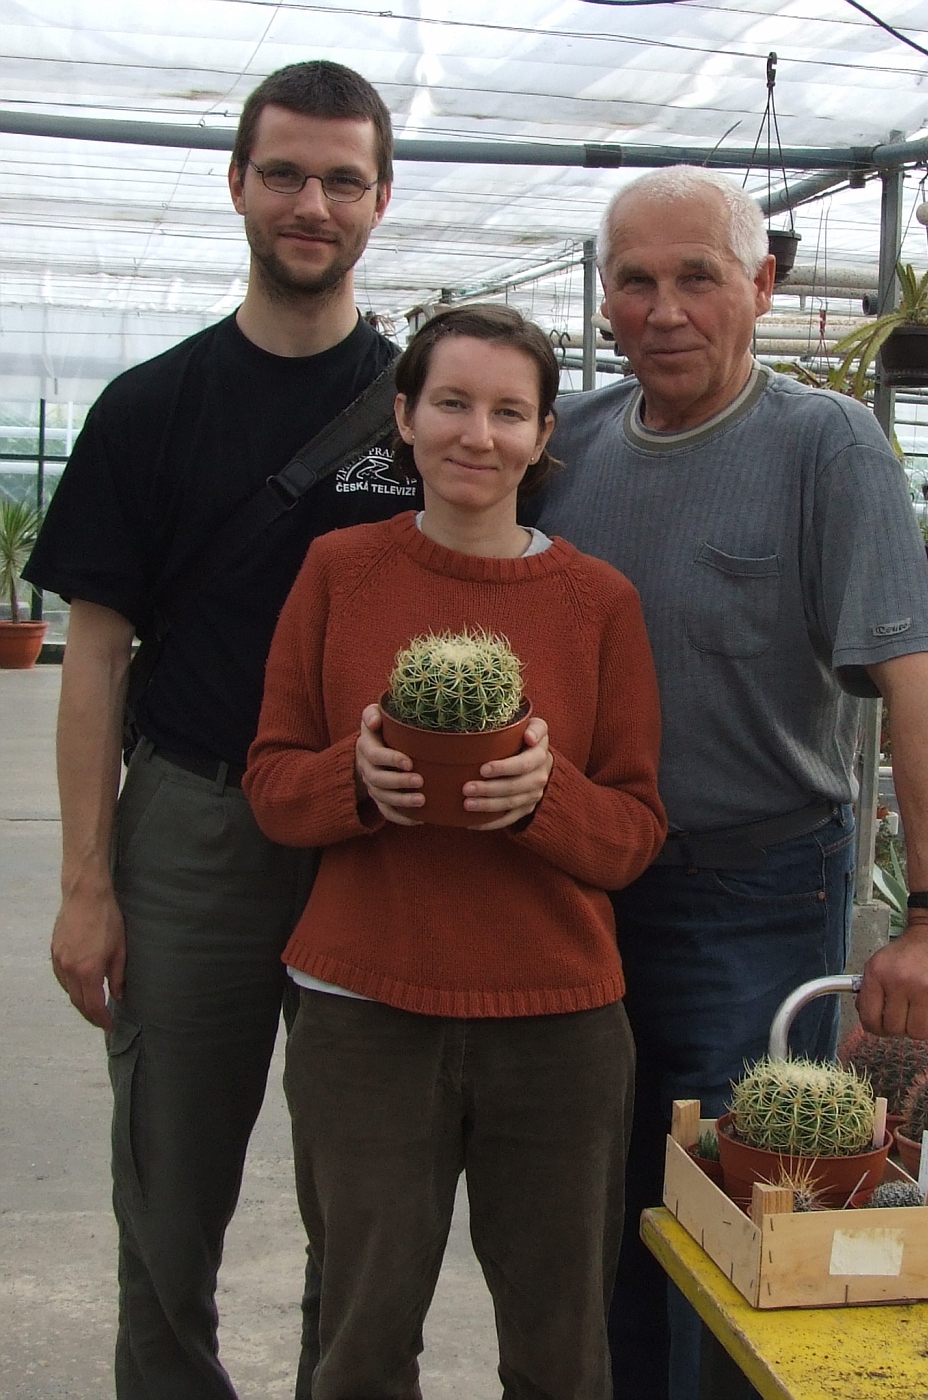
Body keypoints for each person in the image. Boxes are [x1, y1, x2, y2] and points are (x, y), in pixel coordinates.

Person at [23, 62, 549, 1400]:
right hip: (196, 827)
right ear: (239, 185)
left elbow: (516, 583)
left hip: (374, 834)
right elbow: (94, 656)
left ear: (380, 200)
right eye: (284, 174)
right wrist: (88, 884)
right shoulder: (151, 407)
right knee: (169, 1187)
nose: (310, 203)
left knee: (363, 1203)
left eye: (341, 179)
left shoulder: (428, 406)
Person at [532, 166, 928, 1400]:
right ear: (605, 299)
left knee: (748, 1206)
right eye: (637, 280)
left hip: (754, 892)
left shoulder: (821, 446)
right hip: (577, 887)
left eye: (700, 277)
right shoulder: (562, 446)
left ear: (762, 287)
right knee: (604, 1206)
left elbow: (924, 678)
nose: (666, 308)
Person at [244, 303, 668, 1400]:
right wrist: (356, 779)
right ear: (404, 416)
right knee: (359, 1334)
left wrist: (546, 795)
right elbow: (272, 782)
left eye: (508, 411)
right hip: (364, 1010)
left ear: (542, 435)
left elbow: (634, 832)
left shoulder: (599, 602)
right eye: (451, 402)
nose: (476, 433)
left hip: (559, 1024)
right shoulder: (339, 570)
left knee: (561, 1339)